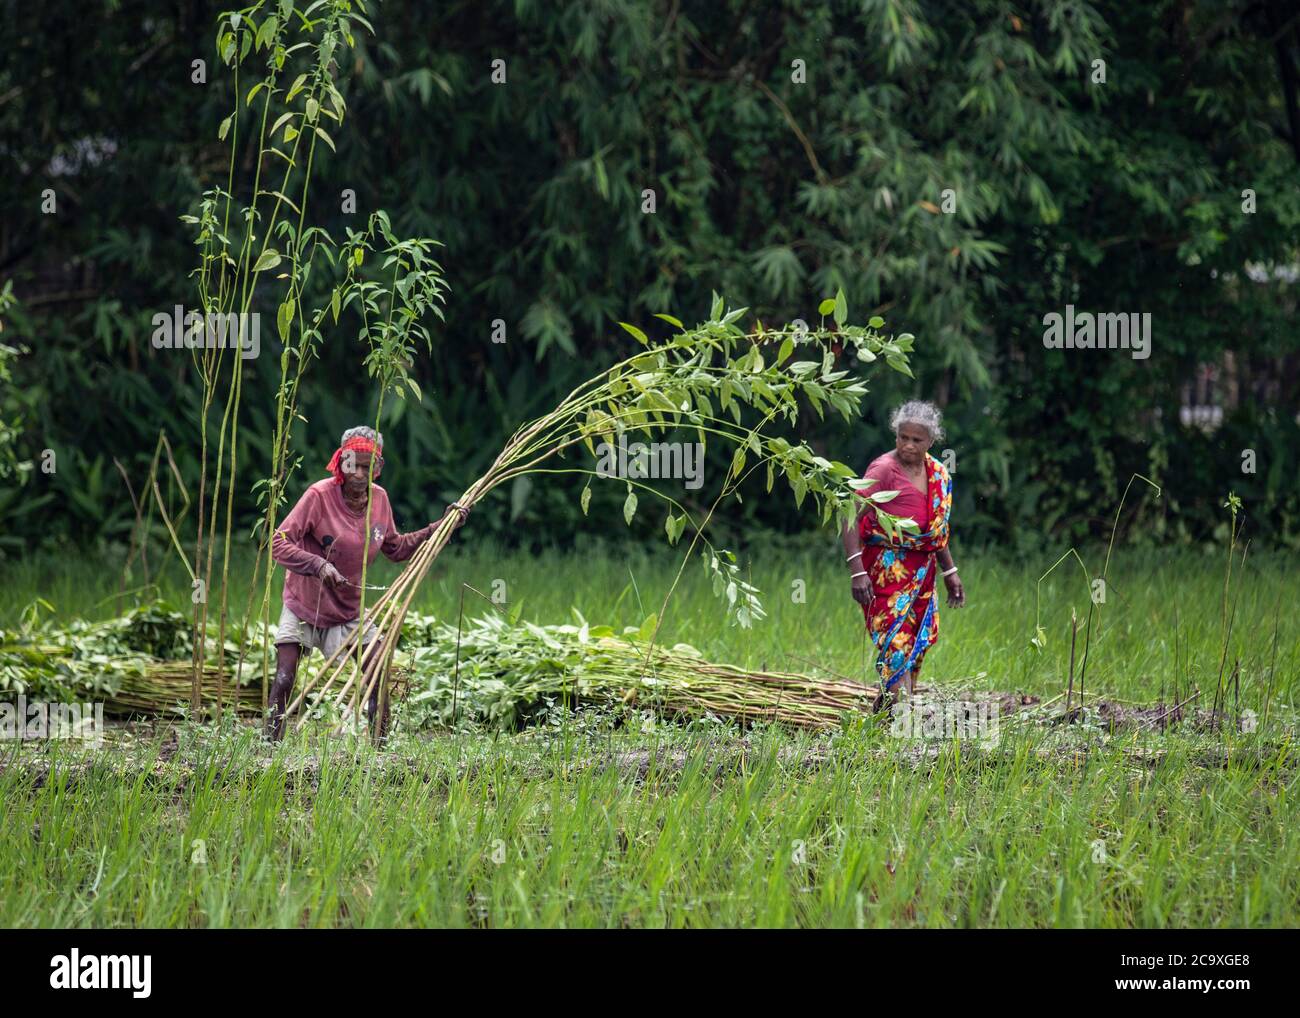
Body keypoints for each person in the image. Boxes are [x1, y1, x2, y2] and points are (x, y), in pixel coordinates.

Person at [265, 425, 468, 740]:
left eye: (367, 465)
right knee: (284, 678)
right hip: (304, 604)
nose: (359, 473)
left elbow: (396, 548)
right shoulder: (318, 496)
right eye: (353, 464)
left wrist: (437, 528)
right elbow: (278, 543)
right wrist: (317, 565)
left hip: (348, 610)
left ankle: (380, 752)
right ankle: (267, 750)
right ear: (341, 462)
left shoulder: (380, 500)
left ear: (378, 468)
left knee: (377, 673)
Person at [841, 400, 965, 712]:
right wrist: (856, 571)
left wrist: (950, 573)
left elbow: (935, 532)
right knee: (894, 646)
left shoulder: (937, 473)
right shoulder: (883, 470)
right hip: (885, 572)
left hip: (923, 573)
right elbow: (848, 516)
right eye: (902, 437)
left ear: (931, 441)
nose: (908, 445)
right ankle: (902, 720)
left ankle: (886, 717)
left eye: (916, 440)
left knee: (912, 651)